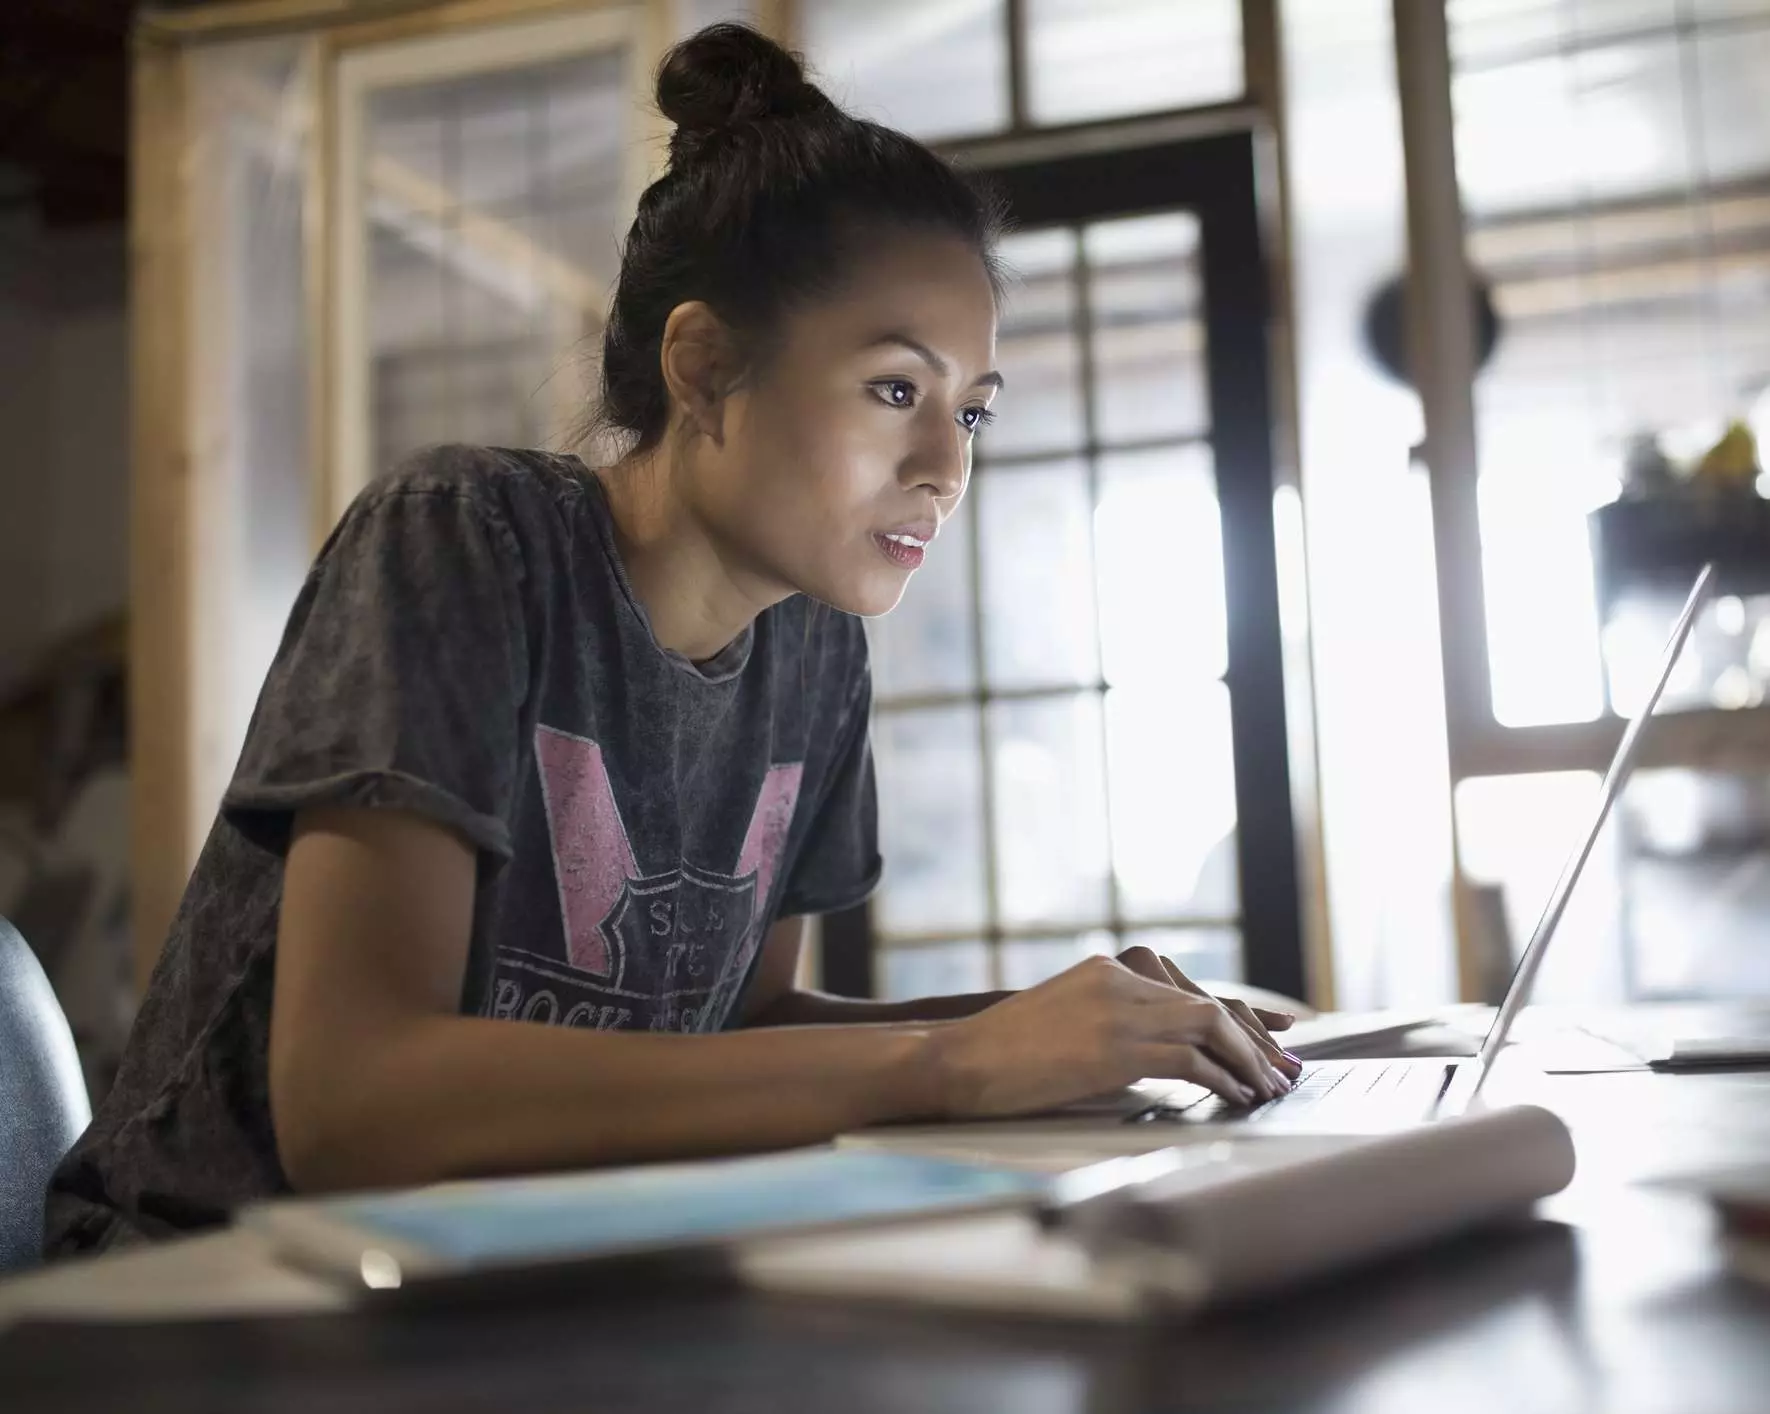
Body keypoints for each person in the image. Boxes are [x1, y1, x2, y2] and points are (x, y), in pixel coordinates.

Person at [45, 23, 1298, 1258]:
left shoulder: (814, 653)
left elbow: (736, 1034)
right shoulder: (467, 540)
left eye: (971, 410)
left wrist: (1062, 1025)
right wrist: (952, 1059)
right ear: (701, 367)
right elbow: (354, 1106)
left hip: (511, 1275)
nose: (945, 466)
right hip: (205, 1281)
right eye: (896, 390)